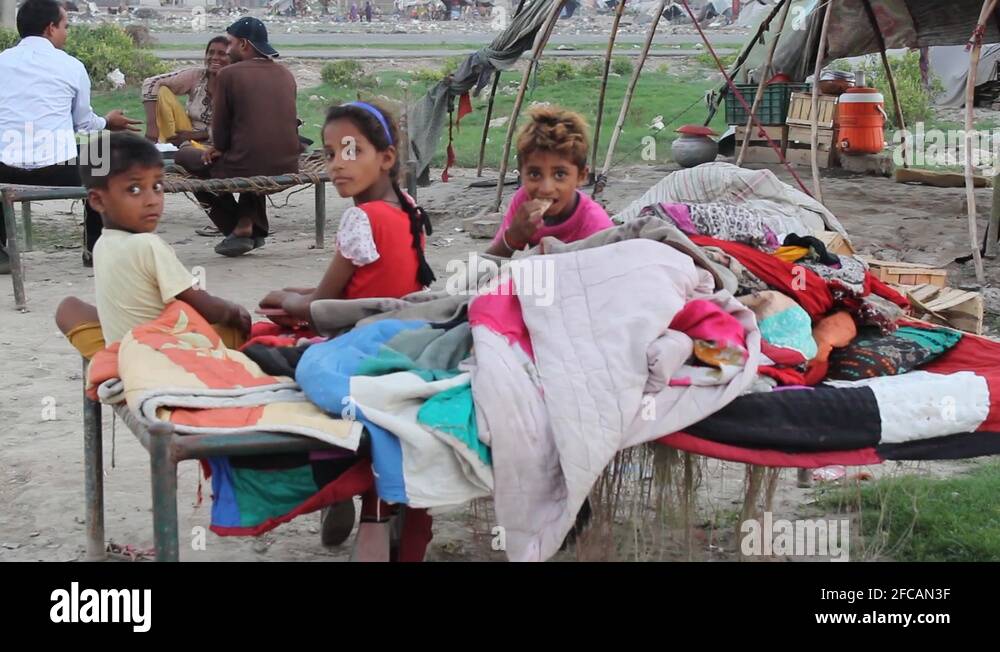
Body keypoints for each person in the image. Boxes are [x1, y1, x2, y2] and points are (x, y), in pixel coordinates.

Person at [259, 101, 435, 561]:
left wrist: (288, 301)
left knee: (262, 342)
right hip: (406, 339)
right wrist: (302, 297)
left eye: (351, 151)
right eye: (331, 152)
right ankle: (367, 507)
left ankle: (334, 492)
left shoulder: (361, 217)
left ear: (387, 158)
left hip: (360, 341)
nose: (337, 164)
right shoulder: (407, 207)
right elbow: (365, 285)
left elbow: (320, 305)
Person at [55, 133, 250, 360]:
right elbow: (203, 305)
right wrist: (233, 311)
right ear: (98, 200)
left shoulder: (102, 244)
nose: (152, 200)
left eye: (157, 186)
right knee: (234, 327)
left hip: (124, 348)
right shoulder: (148, 245)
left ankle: (107, 361)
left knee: (68, 307)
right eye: (134, 190)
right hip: (162, 356)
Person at [0, 0, 139, 274]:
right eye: (65, 26)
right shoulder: (71, 66)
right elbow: (84, 124)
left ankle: (0, 254)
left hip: (4, 168)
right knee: (103, 162)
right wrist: (108, 121)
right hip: (60, 169)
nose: (67, 32)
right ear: (50, 28)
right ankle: (96, 248)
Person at [174, 17, 300, 258]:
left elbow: (220, 128)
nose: (227, 50)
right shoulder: (285, 73)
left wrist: (218, 147)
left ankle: (238, 229)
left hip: (247, 162)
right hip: (287, 161)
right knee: (253, 158)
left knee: (185, 157)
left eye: (230, 44)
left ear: (243, 44)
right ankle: (253, 226)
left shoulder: (229, 75)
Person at [486, 106, 613, 258]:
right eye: (534, 174)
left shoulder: (595, 224)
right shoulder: (523, 201)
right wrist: (511, 239)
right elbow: (489, 264)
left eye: (560, 174)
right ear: (521, 174)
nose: (546, 189)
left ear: (581, 176)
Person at [141, 36, 229, 148]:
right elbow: (151, 82)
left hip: (218, 144)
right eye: (211, 53)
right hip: (186, 134)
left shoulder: (237, 85)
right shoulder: (197, 76)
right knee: (162, 91)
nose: (215, 57)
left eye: (222, 54)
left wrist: (194, 136)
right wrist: (151, 126)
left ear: (232, 58)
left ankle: (177, 149)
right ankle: (167, 145)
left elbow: (233, 127)